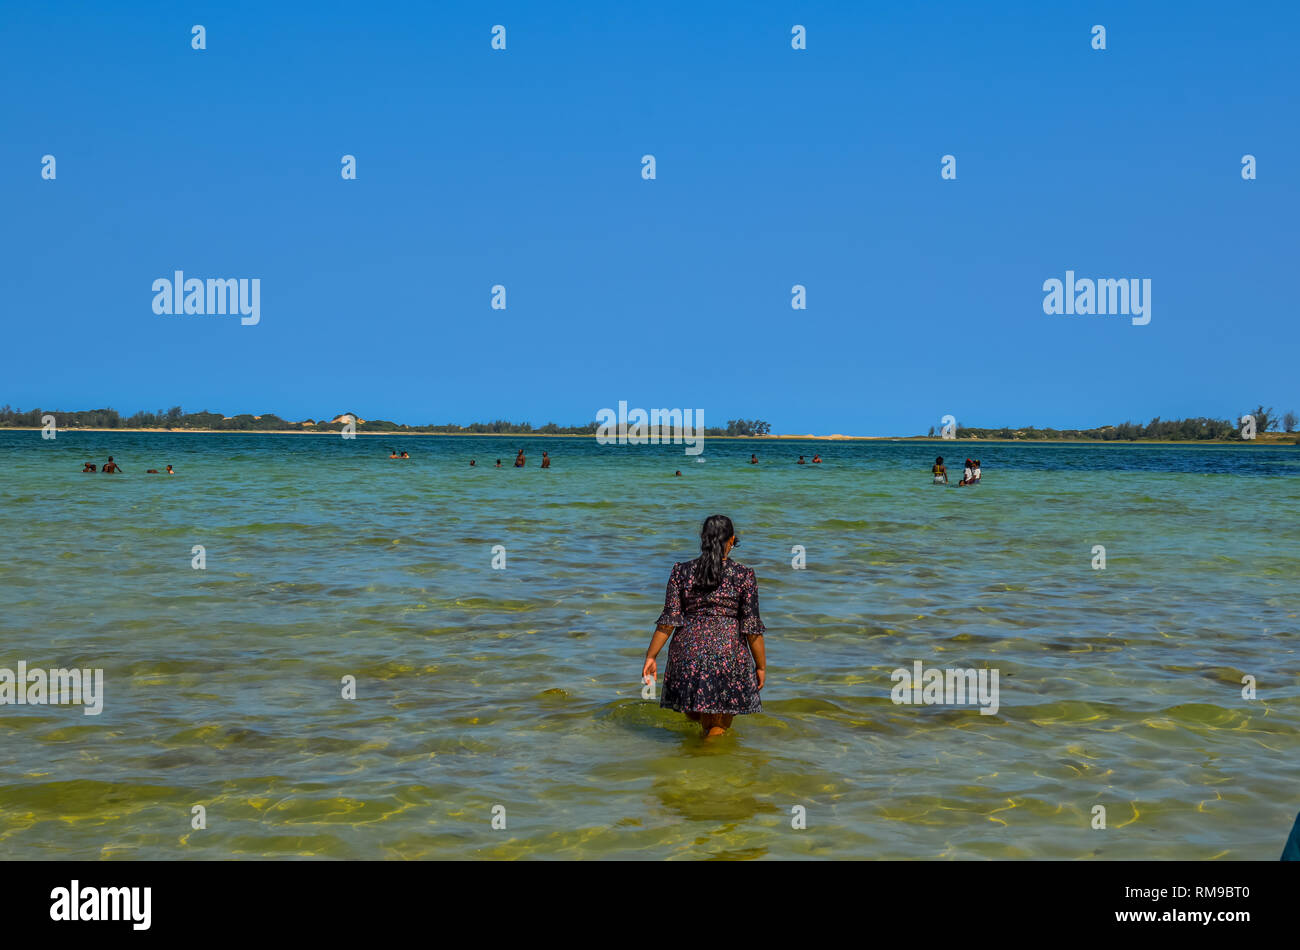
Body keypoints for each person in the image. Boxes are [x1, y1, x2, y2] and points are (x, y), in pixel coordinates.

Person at [642, 515, 766, 739]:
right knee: (717, 726)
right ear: (732, 540)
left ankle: (690, 763)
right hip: (727, 654)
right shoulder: (744, 575)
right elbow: (751, 627)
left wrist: (651, 656)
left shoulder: (681, 571)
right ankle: (706, 762)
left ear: (703, 539)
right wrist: (761, 666)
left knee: (696, 713)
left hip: (687, 652)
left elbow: (669, 619)